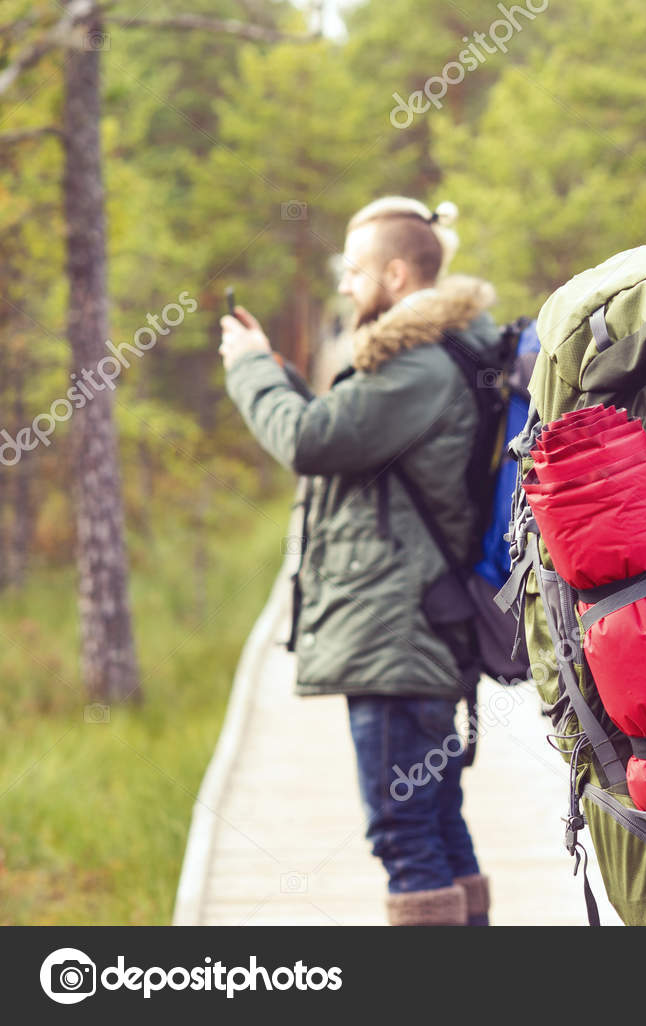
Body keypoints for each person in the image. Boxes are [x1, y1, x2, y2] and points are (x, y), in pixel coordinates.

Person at [219, 197, 499, 926]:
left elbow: (312, 441)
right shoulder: (436, 357)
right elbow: (338, 430)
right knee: (436, 824)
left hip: (394, 632)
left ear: (398, 275)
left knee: (404, 835)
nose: (345, 285)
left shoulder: (417, 367)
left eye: (356, 270)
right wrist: (276, 373)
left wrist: (250, 371)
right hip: (416, 625)